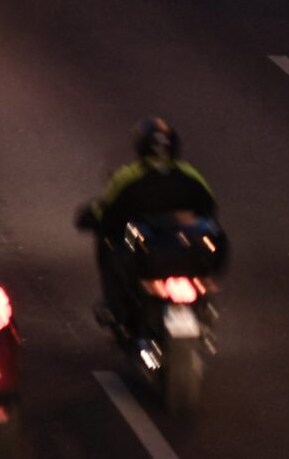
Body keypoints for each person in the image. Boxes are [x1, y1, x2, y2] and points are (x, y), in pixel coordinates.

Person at [82, 118, 218, 326]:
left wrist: (92, 217)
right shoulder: (191, 174)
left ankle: (114, 305)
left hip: (151, 251)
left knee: (108, 245)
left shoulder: (128, 175)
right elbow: (209, 207)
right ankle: (204, 305)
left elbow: (107, 210)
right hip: (185, 250)